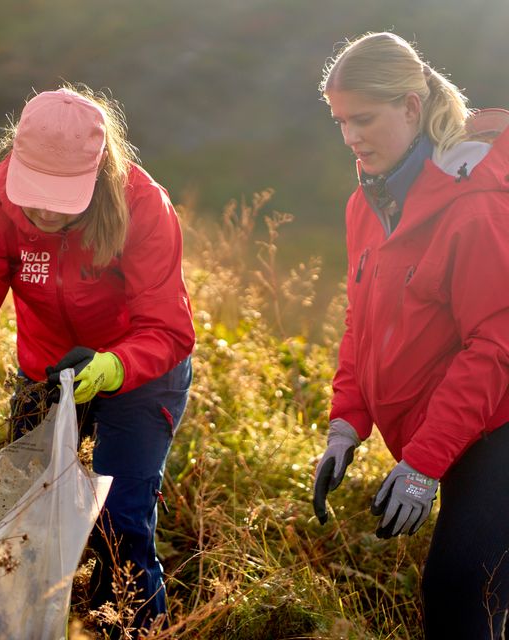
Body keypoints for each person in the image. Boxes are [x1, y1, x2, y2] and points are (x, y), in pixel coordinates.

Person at [0, 84, 195, 631]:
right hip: (47, 369)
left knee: (119, 519)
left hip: (141, 373)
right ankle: (12, 622)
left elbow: (170, 329)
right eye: (34, 189)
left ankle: (126, 626)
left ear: (98, 172)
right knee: (20, 505)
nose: (41, 209)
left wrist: (113, 365)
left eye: (59, 196)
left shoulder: (142, 204)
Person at [311, 31, 509, 638]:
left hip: (499, 429)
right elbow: (362, 322)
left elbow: (495, 347)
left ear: (411, 108)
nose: (350, 137)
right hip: (456, 429)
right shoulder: (365, 203)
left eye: (363, 119)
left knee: (459, 593)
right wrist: (347, 422)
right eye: (341, 121)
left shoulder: (475, 207)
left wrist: (422, 465)